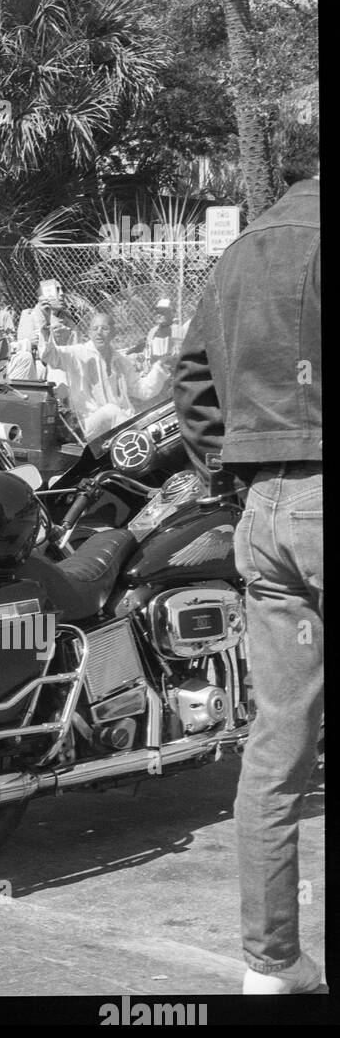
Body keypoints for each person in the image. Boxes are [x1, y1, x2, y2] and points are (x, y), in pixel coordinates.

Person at [174, 167, 321, 995]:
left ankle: (268, 965)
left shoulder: (242, 248)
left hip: (263, 508)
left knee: (276, 746)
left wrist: (234, 475)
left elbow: (189, 377)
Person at [37, 311, 168, 439]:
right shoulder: (77, 353)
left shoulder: (121, 360)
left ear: (113, 333)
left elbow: (142, 391)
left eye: (104, 328)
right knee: (111, 411)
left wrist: (160, 368)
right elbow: (49, 355)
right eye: (95, 329)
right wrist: (46, 334)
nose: (99, 333)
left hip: (120, 422)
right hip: (87, 424)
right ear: (89, 333)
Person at [11, 285, 77, 383]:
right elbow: (25, 349)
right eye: (57, 290)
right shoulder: (29, 315)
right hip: (37, 368)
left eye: (62, 290)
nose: (62, 294)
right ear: (43, 297)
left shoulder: (68, 320)